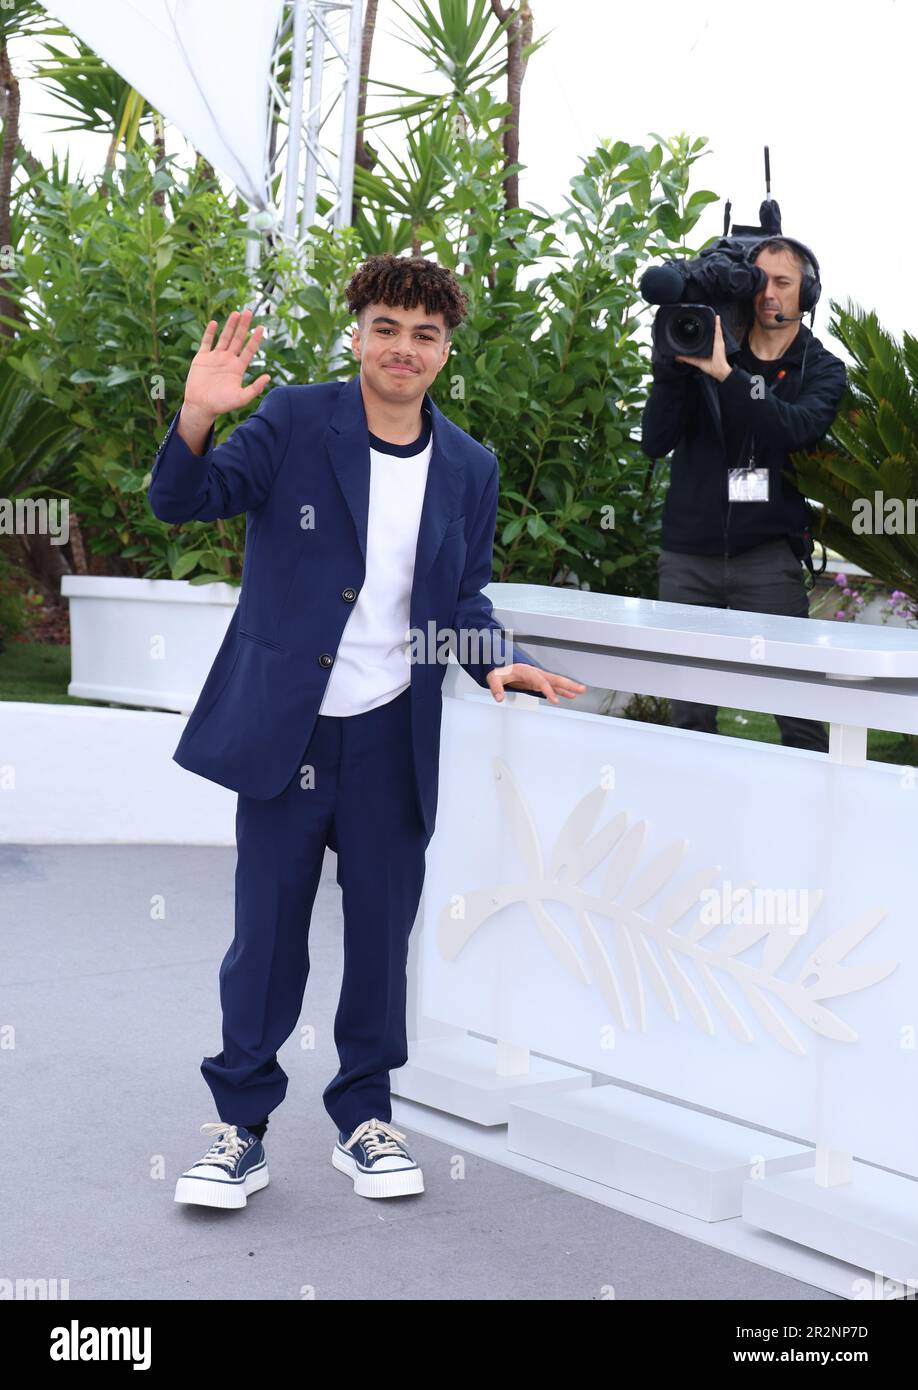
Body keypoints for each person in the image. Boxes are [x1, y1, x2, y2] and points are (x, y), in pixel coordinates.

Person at [148, 254, 587, 1209]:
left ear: (444, 352)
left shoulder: (470, 465)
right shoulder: (298, 421)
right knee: (266, 936)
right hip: (288, 730)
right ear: (358, 333)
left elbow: (460, 592)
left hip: (394, 735)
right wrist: (196, 417)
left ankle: (365, 1118)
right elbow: (183, 502)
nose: (403, 349)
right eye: (386, 327)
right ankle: (240, 1130)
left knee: (382, 935)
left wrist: (492, 656)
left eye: (424, 335)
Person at [640, 237, 847, 749]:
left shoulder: (821, 369)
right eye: (761, 281)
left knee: (799, 713)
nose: (769, 293)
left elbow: (796, 429)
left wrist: (728, 375)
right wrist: (670, 372)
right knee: (688, 713)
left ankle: (813, 820)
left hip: (767, 558)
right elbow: (654, 442)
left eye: (783, 282)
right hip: (688, 555)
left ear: (809, 293)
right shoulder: (704, 343)